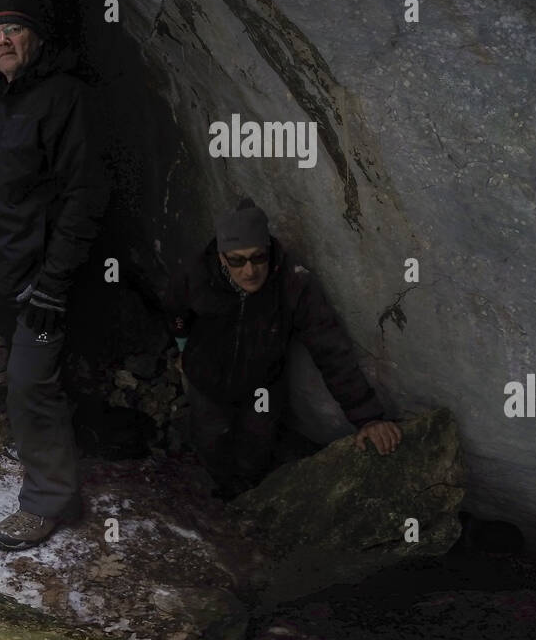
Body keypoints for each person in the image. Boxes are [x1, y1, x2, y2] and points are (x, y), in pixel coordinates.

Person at [0, 0, 108, 552]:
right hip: (3, 278)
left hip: (42, 283)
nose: (2, 40)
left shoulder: (65, 98)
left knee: (29, 387)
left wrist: (54, 281)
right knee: (38, 382)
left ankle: (48, 502)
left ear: (37, 39)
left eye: (14, 30)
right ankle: (76, 452)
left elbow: (85, 193)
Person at [159, 197, 402, 498]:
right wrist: (183, 349)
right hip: (207, 379)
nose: (249, 271)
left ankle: (249, 497)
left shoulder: (293, 283)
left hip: (262, 386)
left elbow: (331, 350)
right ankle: (221, 496)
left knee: (256, 446)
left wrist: (369, 418)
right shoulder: (196, 273)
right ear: (222, 257)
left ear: (269, 250)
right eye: (237, 260)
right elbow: (175, 311)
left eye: (258, 257)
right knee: (211, 439)